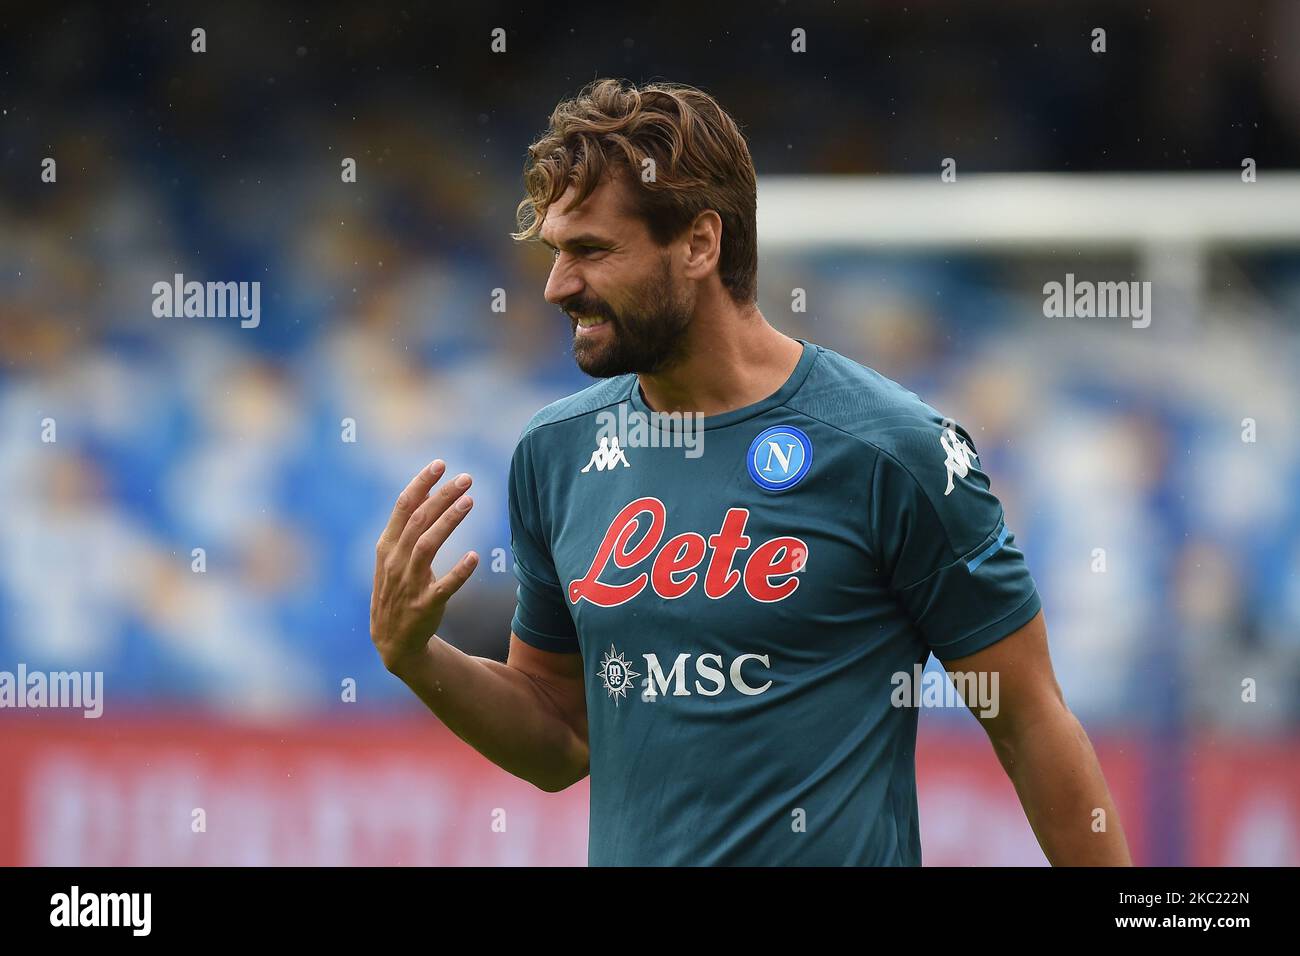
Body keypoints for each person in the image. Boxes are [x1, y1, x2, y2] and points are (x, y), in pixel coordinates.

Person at [369, 78, 1131, 865]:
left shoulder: (890, 450)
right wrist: (419, 660)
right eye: (557, 251)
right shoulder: (554, 454)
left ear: (700, 244)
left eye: (591, 250)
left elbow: (1029, 721)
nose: (558, 285)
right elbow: (561, 734)